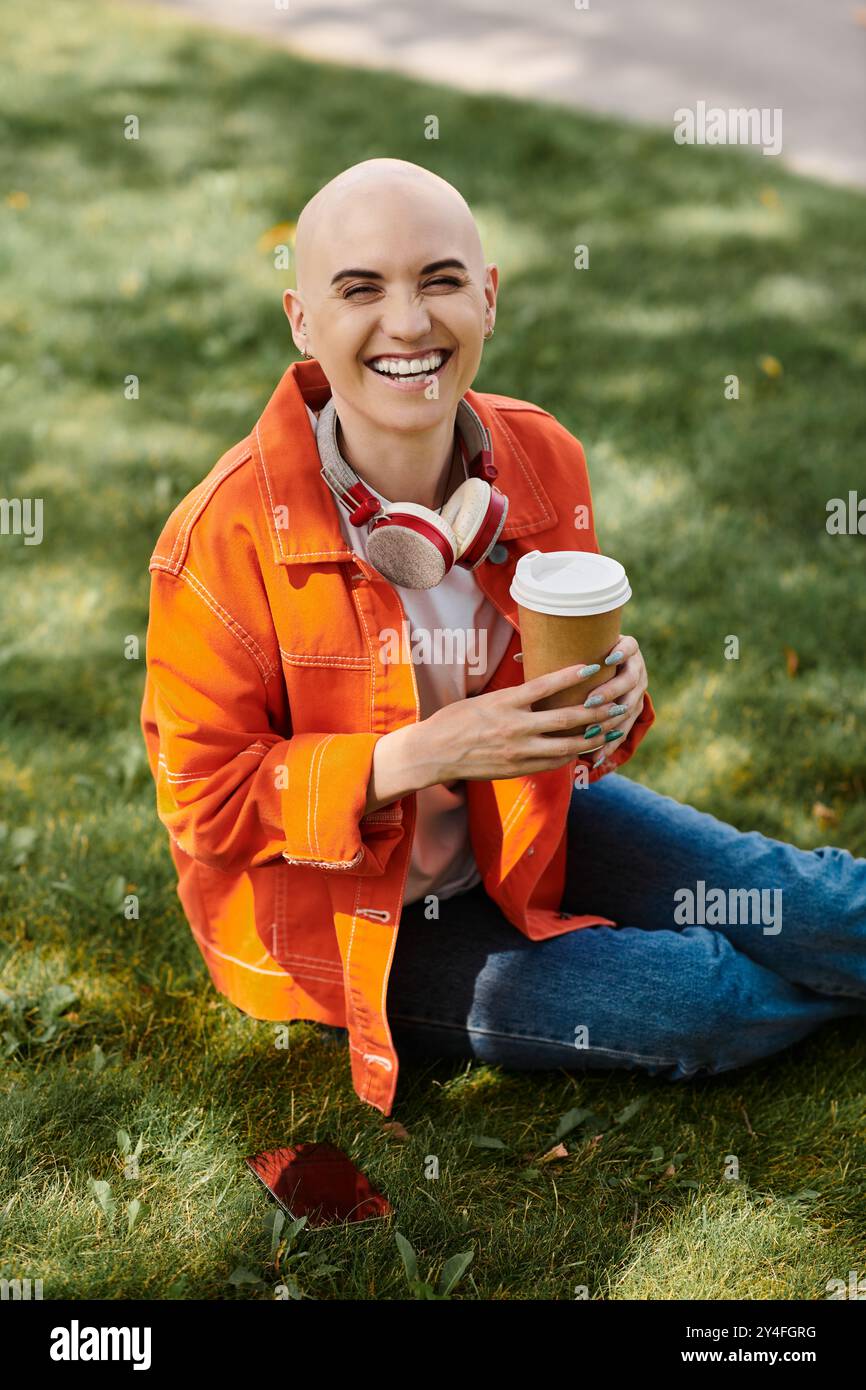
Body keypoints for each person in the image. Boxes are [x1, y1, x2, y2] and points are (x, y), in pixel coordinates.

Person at [141, 159, 866, 1117]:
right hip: (361, 917)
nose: (407, 324)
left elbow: (573, 727)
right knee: (706, 1001)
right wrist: (421, 755)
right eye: (361, 289)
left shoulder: (540, 456)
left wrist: (615, 694)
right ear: (302, 322)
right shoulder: (222, 537)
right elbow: (206, 803)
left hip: (520, 824)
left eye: (440, 281)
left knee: (814, 903)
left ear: (489, 298)